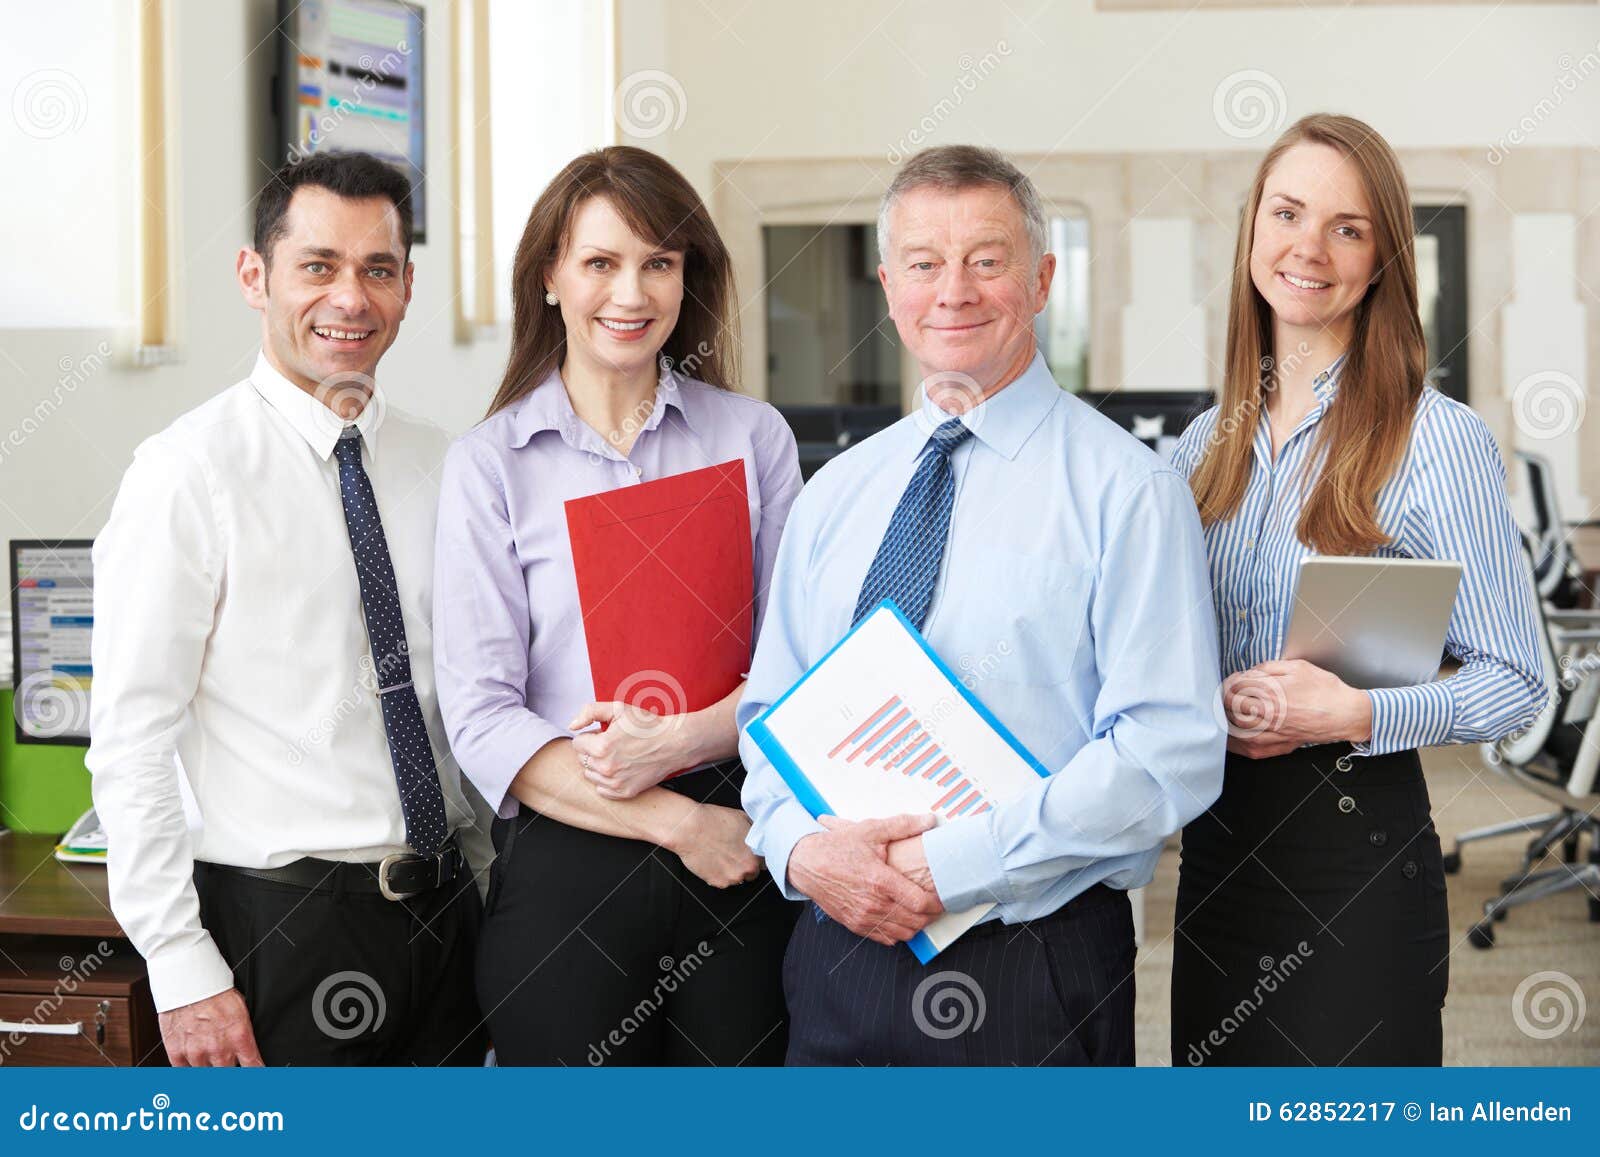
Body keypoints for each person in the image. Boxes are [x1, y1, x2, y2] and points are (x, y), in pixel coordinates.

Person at [737, 145, 1226, 1066]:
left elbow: (1167, 752)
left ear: (1041, 279)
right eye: (924, 263)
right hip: (837, 952)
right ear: (889, 286)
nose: (952, 290)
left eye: (986, 260)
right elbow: (770, 719)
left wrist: (948, 867)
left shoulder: (1126, 490)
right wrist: (804, 854)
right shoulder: (836, 492)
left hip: (1030, 960)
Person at [88, 151, 491, 1066]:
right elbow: (132, 736)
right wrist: (181, 963)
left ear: (407, 287)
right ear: (253, 276)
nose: (349, 297)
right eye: (318, 266)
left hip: (448, 918)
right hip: (280, 930)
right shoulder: (186, 473)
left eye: (376, 269)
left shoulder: (447, 464)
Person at [1169, 114, 1546, 1066]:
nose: (1309, 246)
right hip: (1215, 857)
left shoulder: (1435, 439)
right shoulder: (1196, 450)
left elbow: (1519, 680)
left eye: (1348, 227)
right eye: (1288, 212)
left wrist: (1356, 710)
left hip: (1355, 860)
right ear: (1254, 228)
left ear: (1382, 260)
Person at [434, 146, 803, 1066]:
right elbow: (482, 715)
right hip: (574, 852)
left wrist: (685, 744)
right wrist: (676, 823)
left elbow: (800, 668)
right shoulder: (492, 464)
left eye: (658, 263)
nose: (629, 292)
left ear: (687, 279)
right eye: (600, 262)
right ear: (551, 278)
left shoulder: (753, 438)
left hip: (742, 838)